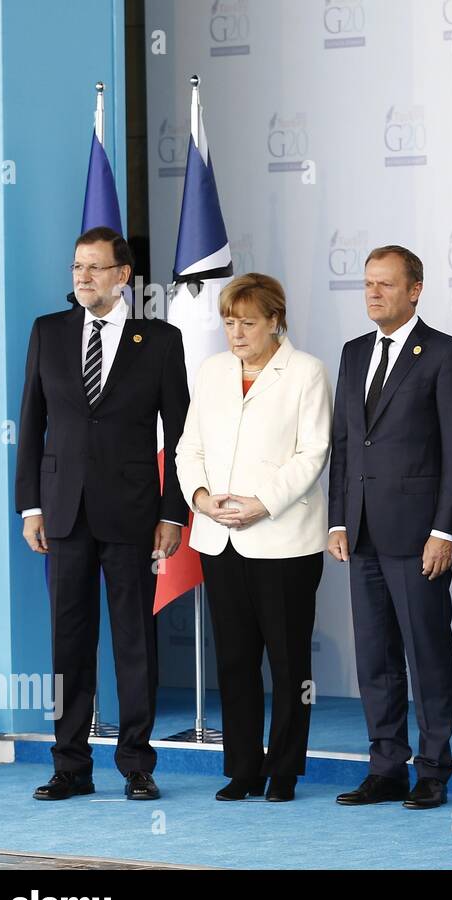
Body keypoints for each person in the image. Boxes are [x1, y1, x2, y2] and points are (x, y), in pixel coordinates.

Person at [16, 227, 188, 802]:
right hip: (63, 513)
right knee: (69, 643)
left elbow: (182, 437)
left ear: (123, 276)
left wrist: (173, 514)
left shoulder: (160, 341)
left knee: (134, 640)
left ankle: (137, 764)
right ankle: (70, 765)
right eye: (76, 267)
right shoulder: (48, 332)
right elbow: (32, 425)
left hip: (134, 515)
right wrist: (30, 505)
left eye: (94, 268)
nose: (82, 277)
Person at [174, 273, 332, 803]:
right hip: (219, 537)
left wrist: (262, 502)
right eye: (228, 322)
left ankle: (284, 769)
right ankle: (242, 769)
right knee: (235, 661)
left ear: (274, 321)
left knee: (289, 664)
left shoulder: (306, 372)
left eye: (246, 322)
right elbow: (187, 448)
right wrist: (200, 498)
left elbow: (313, 453)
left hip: (283, 539)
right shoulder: (212, 371)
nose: (235, 333)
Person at [328, 246, 452, 810]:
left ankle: (433, 771)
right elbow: (345, 443)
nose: (373, 294)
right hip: (360, 533)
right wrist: (338, 517)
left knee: (427, 655)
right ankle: (385, 766)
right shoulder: (353, 352)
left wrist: (445, 531)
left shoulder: (444, 354)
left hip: (418, 537)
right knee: (375, 658)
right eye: (367, 284)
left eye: (385, 284)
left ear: (415, 290)